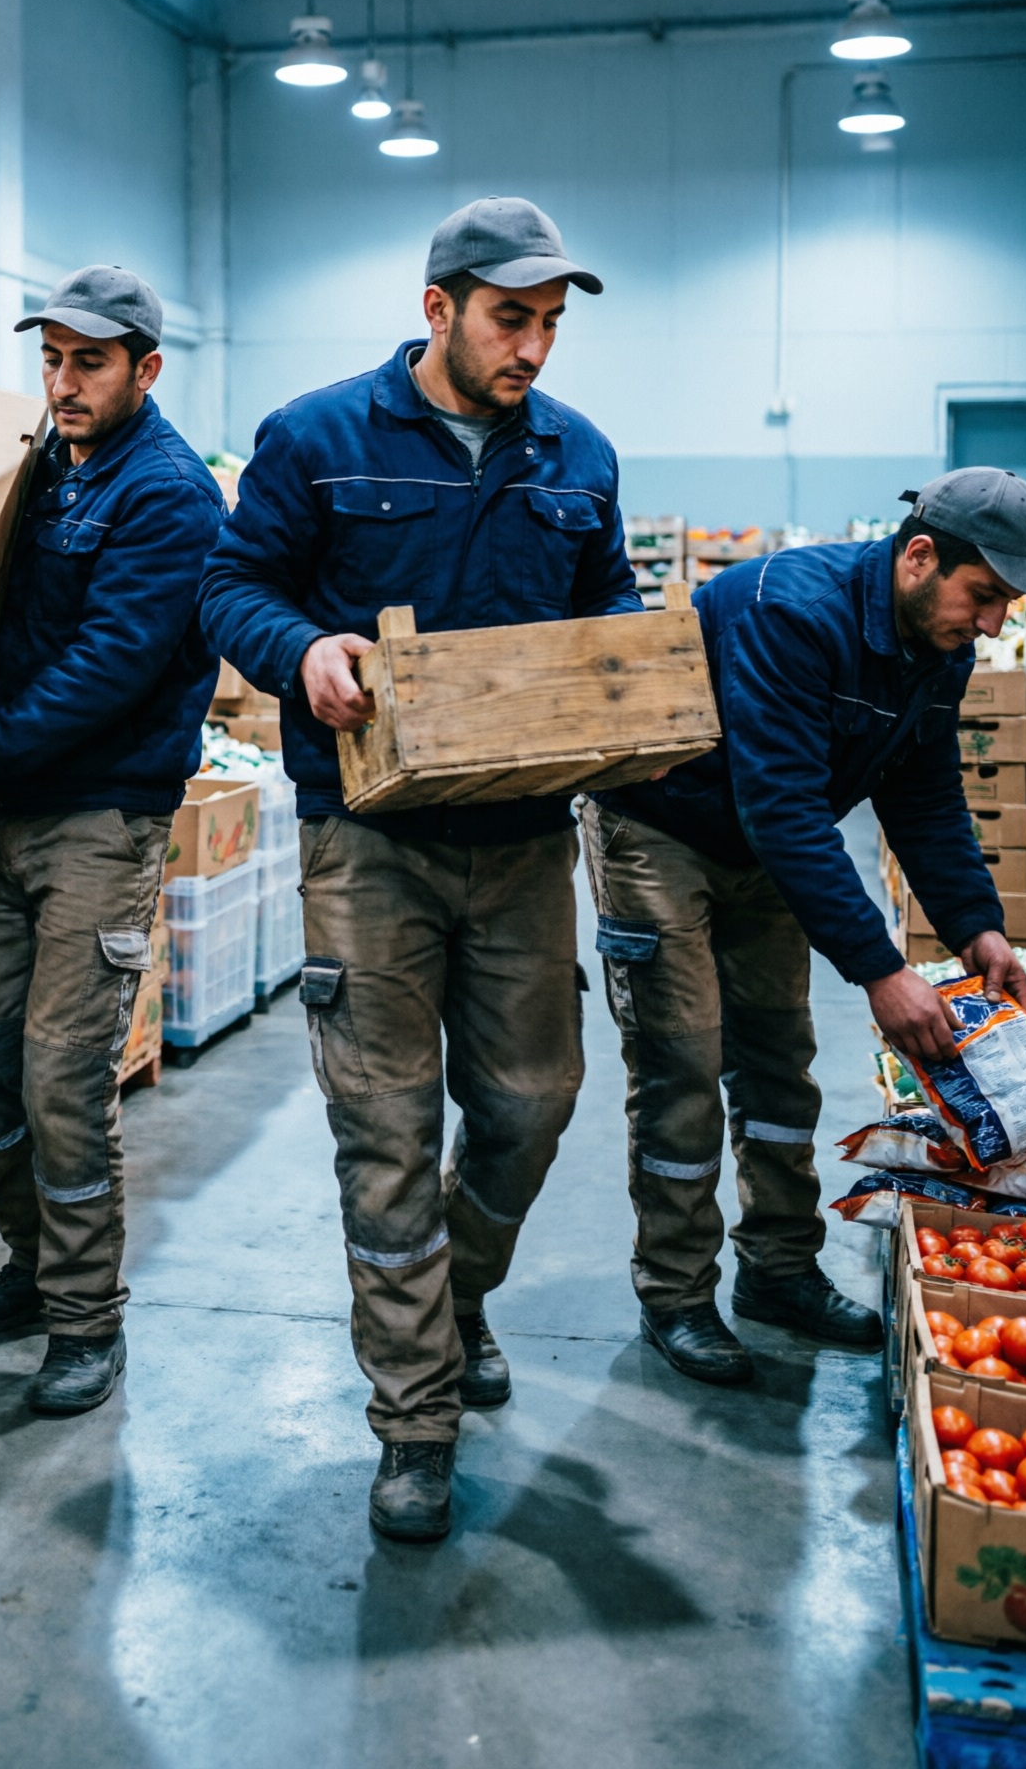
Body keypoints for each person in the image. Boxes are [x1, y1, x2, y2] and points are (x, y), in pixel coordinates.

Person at [199, 197, 638, 1544]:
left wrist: (631, 668)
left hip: (516, 846)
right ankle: (417, 1418)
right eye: (515, 319)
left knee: (532, 1104)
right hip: (369, 846)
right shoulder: (318, 435)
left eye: (554, 324)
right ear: (438, 304)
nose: (536, 350)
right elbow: (233, 585)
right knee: (384, 1137)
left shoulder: (580, 453)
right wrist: (301, 651)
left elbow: (606, 602)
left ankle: (457, 1299)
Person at [583, 469, 1026, 1387]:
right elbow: (782, 809)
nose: (994, 622)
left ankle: (778, 1272)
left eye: (1006, 604)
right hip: (664, 828)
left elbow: (923, 794)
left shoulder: (940, 643)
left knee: (776, 1059)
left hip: (763, 845)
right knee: (682, 1063)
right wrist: (882, 970)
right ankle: (677, 1294)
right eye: (986, 596)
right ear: (920, 558)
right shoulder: (791, 610)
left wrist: (977, 927)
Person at [0, 266, 224, 1417]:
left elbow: (112, 667)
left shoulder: (168, 493)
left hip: (99, 820)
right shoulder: (44, 470)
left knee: (64, 1078)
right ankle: (31, 1264)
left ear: (146, 370)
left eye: (91, 361)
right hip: (3, 811)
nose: (65, 382)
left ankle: (86, 1317)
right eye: (54, 358)